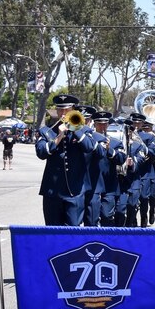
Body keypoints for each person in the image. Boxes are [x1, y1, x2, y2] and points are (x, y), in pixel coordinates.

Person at [35, 94, 96, 226]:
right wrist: (59, 137)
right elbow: (41, 153)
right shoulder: (47, 131)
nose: (63, 113)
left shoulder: (84, 129)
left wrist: (75, 129)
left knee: (73, 231)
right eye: (60, 110)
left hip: (75, 191)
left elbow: (89, 147)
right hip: (52, 191)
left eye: (67, 110)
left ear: (73, 110)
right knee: (53, 231)